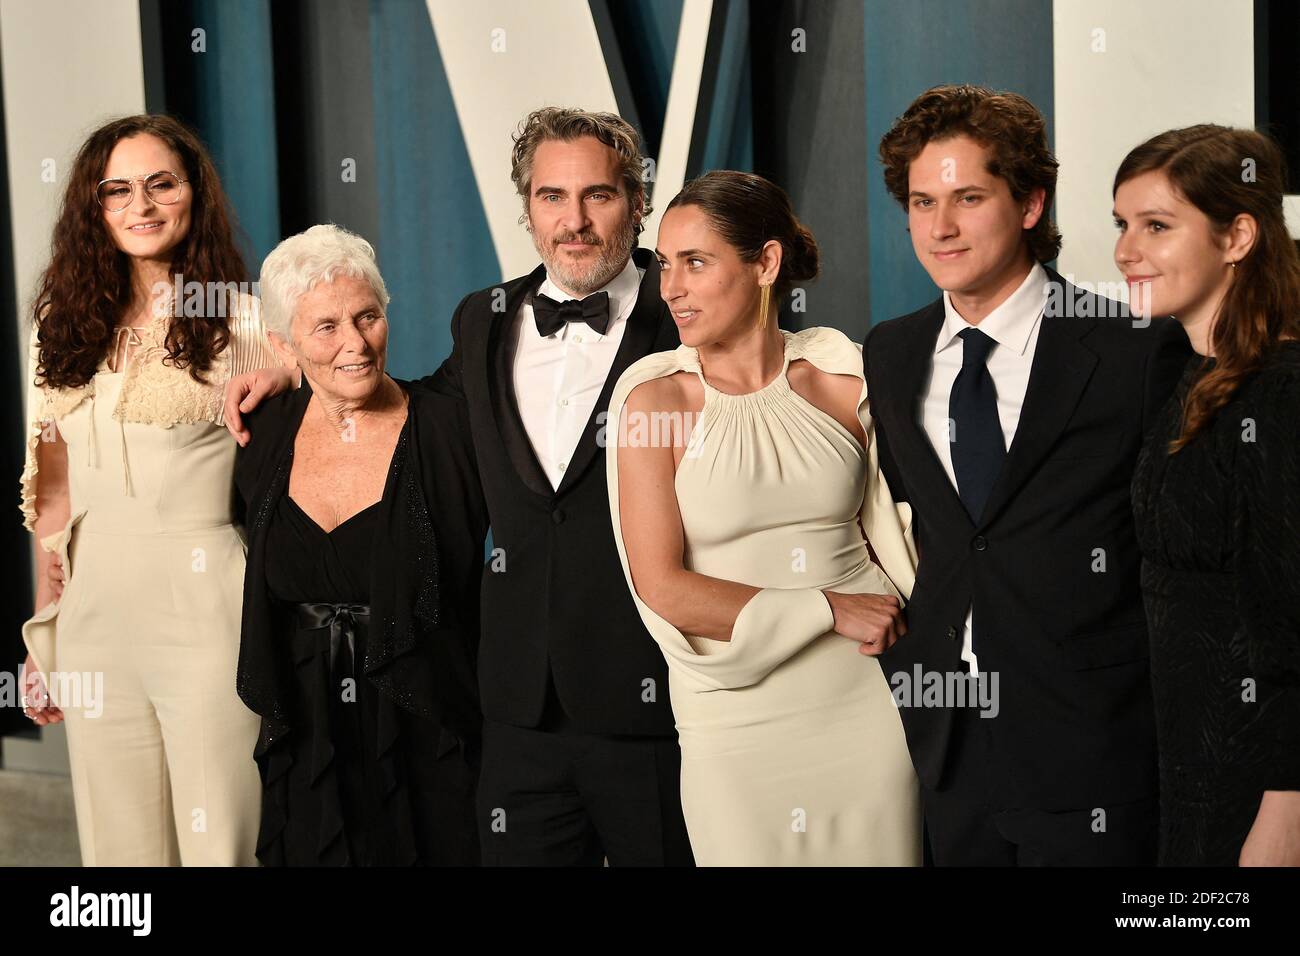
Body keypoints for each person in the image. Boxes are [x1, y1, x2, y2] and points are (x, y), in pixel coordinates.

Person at [224, 108, 692, 866]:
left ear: (638, 202)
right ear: (527, 209)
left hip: (653, 696)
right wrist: (295, 370)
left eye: (598, 196)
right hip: (514, 709)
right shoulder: (486, 319)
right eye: (550, 198)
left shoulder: (687, 316)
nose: (573, 222)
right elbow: (398, 398)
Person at [863, 84, 1192, 865]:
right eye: (921, 201)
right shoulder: (890, 350)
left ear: (1032, 202)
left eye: (968, 197)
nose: (939, 227)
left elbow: (1184, 555)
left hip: (1094, 743)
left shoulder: (1133, 348)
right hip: (947, 743)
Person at [606, 171, 922, 865]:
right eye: (665, 264)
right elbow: (661, 585)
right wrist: (825, 607)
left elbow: (902, 534)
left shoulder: (845, 378)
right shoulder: (654, 403)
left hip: (859, 705)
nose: (671, 288)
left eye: (696, 262)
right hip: (733, 719)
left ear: (766, 264)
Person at [18, 114, 277, 865]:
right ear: (93, 208)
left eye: (162, 183)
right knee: (117, 856)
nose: (142, 204)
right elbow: (54, 497)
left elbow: (333, 378)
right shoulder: (60, 325)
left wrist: (289, 368)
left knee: (219, 844)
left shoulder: (242, 318)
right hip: (94, 615)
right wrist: (47, 635)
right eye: (118, 189)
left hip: (208, 610)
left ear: (194, 195)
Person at [232, 224, 487, 865]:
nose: (355, 343)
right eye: (325, 327)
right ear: (282, 343)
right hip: (308, 731)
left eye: (367, 316)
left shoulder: (448, 424)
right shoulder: (262, 434)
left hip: (431, 724)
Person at [1116, 124, 1300, 866]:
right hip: (1185, 761)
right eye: (1122, 224)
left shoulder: (1282, 395)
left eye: (1157, 226)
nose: (1128, 249)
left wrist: (1284, 815)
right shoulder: (1181, 367)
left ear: (1238, 236)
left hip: (1255, 783)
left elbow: (1291, 624)